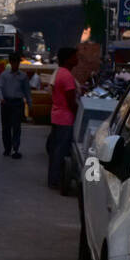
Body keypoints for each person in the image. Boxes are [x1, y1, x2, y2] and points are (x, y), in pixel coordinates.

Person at [48, 46, 79, 189]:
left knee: (56, 150)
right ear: (68, 59)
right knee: (61, 150)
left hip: (57, 116)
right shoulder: (66, 76)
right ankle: (56, 179)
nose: (77, 59)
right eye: (75, 56)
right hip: (65, 118)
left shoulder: (60, 72)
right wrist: (79, 112)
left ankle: (53, 177)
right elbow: (71, 101)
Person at [0, 52, 31, 159]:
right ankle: (7, 148)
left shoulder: (23, 76)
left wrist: (30, 105)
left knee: (16, 127)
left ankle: (15, 149)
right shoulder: (4, 75)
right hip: (6, 103)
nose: (16, 65)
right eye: (14, 62)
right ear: (11, 62)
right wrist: (1, 98)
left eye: (17, 63)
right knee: (6, 127)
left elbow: (27, 92)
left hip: (17, 104)